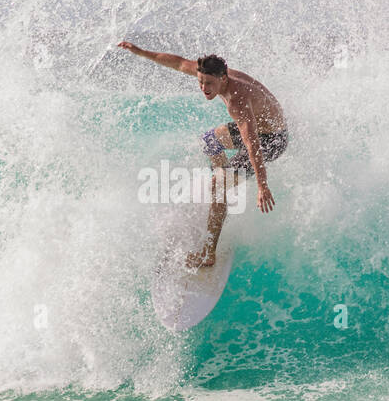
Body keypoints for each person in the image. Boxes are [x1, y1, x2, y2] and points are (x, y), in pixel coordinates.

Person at [118, 42, 288, 267]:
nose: (204, 88)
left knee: (218, 184)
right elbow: (178, 63)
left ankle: (208, 253)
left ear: (223, 79)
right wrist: (140, 52)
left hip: (271, 141)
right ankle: (222, 196)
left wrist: (262, 185)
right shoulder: (214, 74)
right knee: (209, 142)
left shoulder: (237, 100)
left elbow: (252, 143)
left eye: (209, 83)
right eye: (200, 82)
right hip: (262, 128)